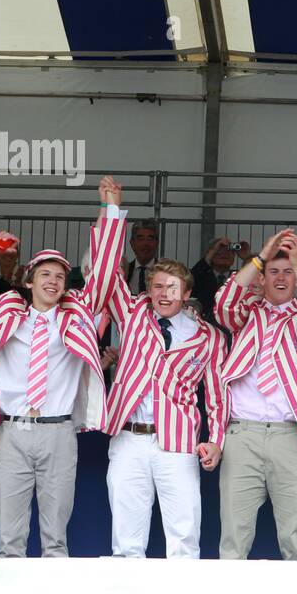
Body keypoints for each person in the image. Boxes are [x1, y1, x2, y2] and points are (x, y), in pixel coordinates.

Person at [0, 218, 121, 558]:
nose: (54, 281)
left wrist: (110, 213)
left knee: (55, 538)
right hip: (13, 430)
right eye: (45, 274)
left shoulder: (76, 315)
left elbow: (103, 278)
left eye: (60, 276)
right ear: (29, 281)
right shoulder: (6, 310)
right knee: (10, 539)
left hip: (58, 431)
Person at [90, 179, 227, 559]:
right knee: (126, 541)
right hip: (129, 437)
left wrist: (216, 439)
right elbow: (104, 276)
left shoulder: (208, 336)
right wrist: (111, 212)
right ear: (149, 289)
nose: (164, 293)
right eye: (158, 286)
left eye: (172, 288)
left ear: (186, 294)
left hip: (179, 442)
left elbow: (217, 396)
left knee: (184, 538)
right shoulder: (133, 313)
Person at [214, 229, 297, 561]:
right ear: (262, 279)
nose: (281, 278)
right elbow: (223, 303)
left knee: (296, 539)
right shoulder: (247, 313)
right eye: (273, 272)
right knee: (234, 538)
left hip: (291, 434)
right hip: (242, 434)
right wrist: (262, 254)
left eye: (288, 272)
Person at [192, 236, 251, 324]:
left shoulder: (239, 276)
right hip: (203, 323)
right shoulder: (201, 275)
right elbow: (192, 278)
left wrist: (247, 257)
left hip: (232, 323)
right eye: (219, 252)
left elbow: (255, 277)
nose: (224, 254)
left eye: (229, 251)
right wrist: (213, 250)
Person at [123, 220, 160, 296]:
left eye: (150, 238)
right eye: (140, 239)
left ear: (157, 243)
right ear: (132, 243)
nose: (145, 243)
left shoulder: (164, 272)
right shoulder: (125, 271)